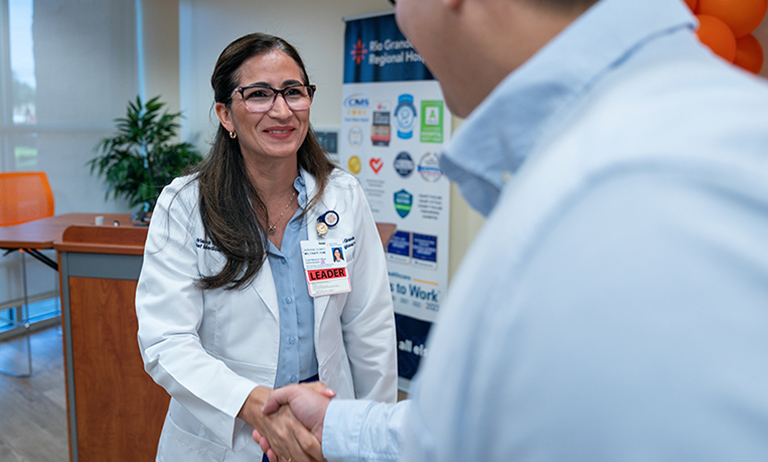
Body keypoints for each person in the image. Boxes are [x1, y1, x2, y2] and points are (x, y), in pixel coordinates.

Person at [254, 0, 768, 460]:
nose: (405, 25)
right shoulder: (627, 147)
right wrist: (345, 428)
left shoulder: (636, 184)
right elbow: (517, 417)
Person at [135, 32, 397, 462]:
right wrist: (254, 404)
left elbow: (371, 330)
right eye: (258, 94)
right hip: (225, 427)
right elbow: (167, 341)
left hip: (323, 425)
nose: (281, 110)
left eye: (293, 92)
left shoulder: (344, 197)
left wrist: (374, 436)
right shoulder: (184, 204)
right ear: (226, 114)